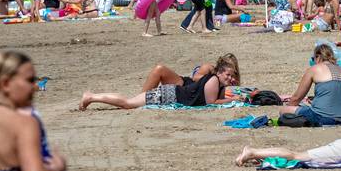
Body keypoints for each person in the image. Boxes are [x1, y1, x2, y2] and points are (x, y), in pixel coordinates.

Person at [79, 60, 238, 110]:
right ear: (220, 72)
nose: (230, 78)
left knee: (130, 102)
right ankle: (91, 97)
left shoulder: (216, 81)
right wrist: (232, 99)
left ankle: (92, 97)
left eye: (232, 75)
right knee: (129, 103)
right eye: (228, 75)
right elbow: (211, 102)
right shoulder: (213, 80)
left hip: (171, 93)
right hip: (169, 94)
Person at [279, 44, 341, 126]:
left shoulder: (314, 69)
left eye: (313, 58)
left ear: (318, 57)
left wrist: (289, 107)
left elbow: (297, 98)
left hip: (322, 117)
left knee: (284, 110)